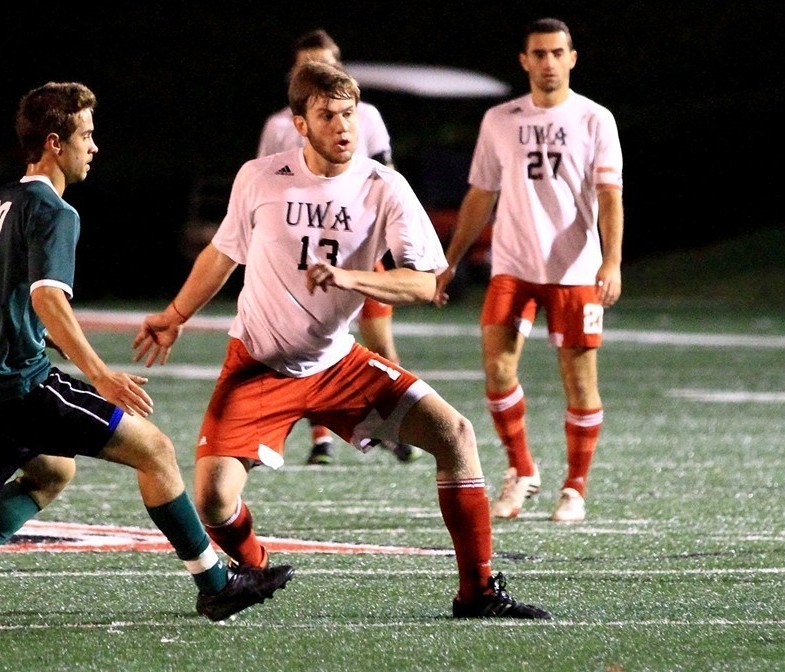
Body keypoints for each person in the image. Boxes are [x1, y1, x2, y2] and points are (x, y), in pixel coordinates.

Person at [133, 61, 550, 619]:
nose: (343, 126)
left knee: (456, 433)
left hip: (338, 364)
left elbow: (426, 281)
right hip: (258, 365)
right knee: (211, 499)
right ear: (300, 124)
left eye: (349, 114)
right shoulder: (259, 176)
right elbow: (223, 252)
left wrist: (356, 278)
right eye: (327, 115)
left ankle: (475, 591)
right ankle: (254, 566)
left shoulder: (383, 187)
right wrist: (175, 313)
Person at [0, 81, 294, 621]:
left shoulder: (4, 202)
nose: (95, 146)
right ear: (53, 143)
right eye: (86, 135)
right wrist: (101, 375)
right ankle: (215, 582)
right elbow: (47, 299)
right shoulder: (55, 212)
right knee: (155, 450)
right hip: (20, 385)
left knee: (53, 471)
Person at [434, 18, 624, 523]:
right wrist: (450, 259)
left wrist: (611, 260)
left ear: (572, 58)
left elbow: (610, 196)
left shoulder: (595, 119)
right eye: (537, 54)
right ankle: (522, 470)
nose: (547, 62)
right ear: (524, 61)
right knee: (497, 371)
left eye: (556, 53)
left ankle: (575, 487)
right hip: (513, 267)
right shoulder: (500, 119)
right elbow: (481, 194)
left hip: (575, 270)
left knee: (579, 382)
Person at [258, 27, 419, 466]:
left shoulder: (364, 116)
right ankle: (320, 437)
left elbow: (387, 178)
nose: (318, 75)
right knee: (307, 341)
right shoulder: (280, 126)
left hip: (359, 249)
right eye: (307, 69)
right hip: (304, 253)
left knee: (380, 340)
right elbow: (264, 191)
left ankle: (395, 422)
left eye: (325, 65)